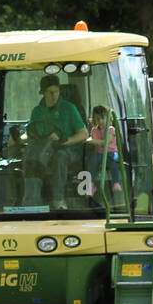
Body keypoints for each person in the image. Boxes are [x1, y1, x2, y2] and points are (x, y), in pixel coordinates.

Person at [26, 74, 87, 206]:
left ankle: (58, 199)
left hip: (68, 149)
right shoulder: (36, 111)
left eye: (57, 91)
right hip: (44, 148)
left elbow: (83, 134)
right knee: (30, 157)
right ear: (43, 93)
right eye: (50, 92)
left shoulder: (69, 108)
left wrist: (65, 140)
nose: (54, 96)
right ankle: (31, 201)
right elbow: (32, 132)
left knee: (59, 157)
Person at [86, 104, 123, 200]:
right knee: (91, 162)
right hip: (99, 153)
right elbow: (92, 138)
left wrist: (92, 141)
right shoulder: (94, 130)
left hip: (111, 152)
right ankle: (91, 184)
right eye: (97, 119)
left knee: (114, 164)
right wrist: (89, 140)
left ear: (108, 118)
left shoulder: (111, 129)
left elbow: (107, 141)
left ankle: (116, 183)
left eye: (103, 118)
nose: (100, 121)